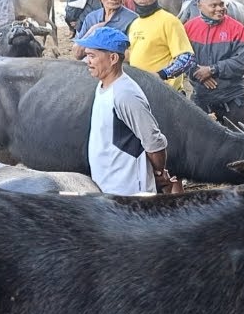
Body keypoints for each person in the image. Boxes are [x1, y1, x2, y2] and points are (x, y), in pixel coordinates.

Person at [75, 28, 175, 196]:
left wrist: (159, 172)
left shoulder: (125, 94)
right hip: (109, 186)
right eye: (87, 56)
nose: (87, 61)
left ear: (113, 58)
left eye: (92, 56)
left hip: (128, 192)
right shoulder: (103, 86)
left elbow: (153, 141)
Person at [186, 0, 244, 129]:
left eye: (221, 4)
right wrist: (199, 74)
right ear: (199, 5)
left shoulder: (237, 28)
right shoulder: (188, 28)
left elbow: (242, 62)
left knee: (243, 143)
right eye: (213, 5)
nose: (219, 8)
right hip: (201, 97)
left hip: (233, 97)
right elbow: (182, 58)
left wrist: (212, 70)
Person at [126, 0, 196, 89]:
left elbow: (186, 58)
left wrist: (162, 75)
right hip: (141, 91)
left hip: (165, 93)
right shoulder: (135, 23)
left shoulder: (169, 21)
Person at [71, 0, 138, 60]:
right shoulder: (91, 18)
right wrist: (93, 30)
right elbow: (77, 53)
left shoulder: (132, 19)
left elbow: (134, 55)